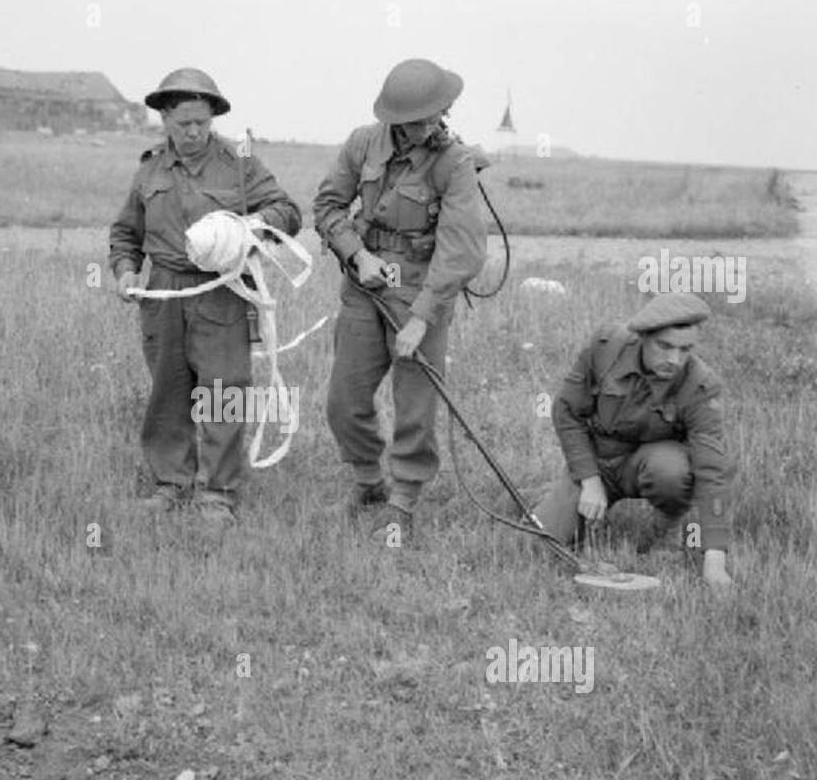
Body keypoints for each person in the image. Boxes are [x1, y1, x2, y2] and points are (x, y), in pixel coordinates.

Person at [109, 68, 302, 524]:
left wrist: (248, 227)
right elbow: (124, 233)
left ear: (213, 118)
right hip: (162, 293)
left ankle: (218, 494)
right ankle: (171, 484)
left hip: (221, 294)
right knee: (168, 392)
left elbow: (289, 212)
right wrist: (125, 271)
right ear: (165, 121)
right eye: (183, 124)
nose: (194, 132)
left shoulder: (239, 164)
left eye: (202, 123)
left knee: (221, 393)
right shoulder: (150, 168)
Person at [314, 58, 489, 543]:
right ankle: (369, 482)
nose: (430, 127)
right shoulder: (362, 143)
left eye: (438, 116)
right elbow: (327, 206)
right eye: (419, 121)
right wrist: (356, 253)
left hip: (421, 289)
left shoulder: (454, 163)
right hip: (364, 289)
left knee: (415, 405)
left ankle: (403, 499)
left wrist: (421, 318)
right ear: (394, 119)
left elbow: (462, 249)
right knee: (343, 402)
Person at [532, 293, 735, 587]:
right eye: (664, 346)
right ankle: (542, 496)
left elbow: (712, 470)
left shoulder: (701, 385)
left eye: (685, 349)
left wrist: (715, 562)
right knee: (540, 548)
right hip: (597, 463)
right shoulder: (604, 348)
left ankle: (666, 530)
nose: (674, 360)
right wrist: (589, 481)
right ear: (642, 337)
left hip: (650, 466)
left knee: (673, 469)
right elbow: (566, 412)